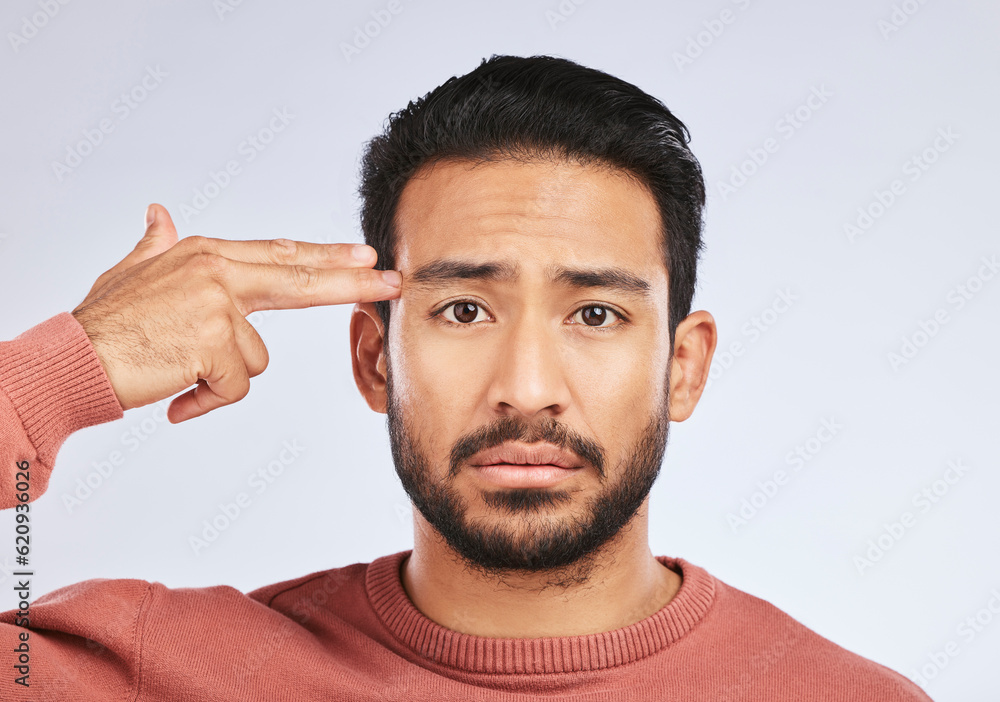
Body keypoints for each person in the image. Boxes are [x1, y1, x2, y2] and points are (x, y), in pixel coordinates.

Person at [0, 55, 930, 700]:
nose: (527, 388)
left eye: (596, 314)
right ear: (373, 359)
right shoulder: (159, 674)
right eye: (463, 311)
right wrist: (59, 372)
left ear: (682, 369)